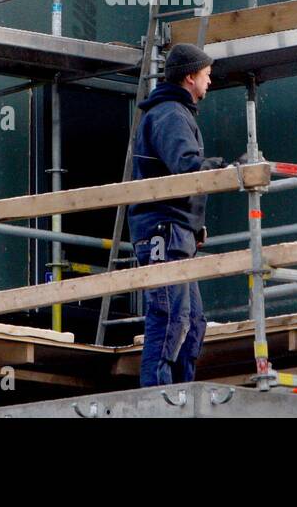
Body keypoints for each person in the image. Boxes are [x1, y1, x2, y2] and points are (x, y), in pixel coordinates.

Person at [127, 43, 226, 387]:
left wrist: (194, 225)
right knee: (170, 315)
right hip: (163, 229)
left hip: (175, 229)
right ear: (190, 77)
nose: (209, 81)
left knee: (192, 321)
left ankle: (180, 393)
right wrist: (225, 169)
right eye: (206, 74)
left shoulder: (173, 112)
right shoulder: (170, 114)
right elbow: (186, 167)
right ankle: (158, 398)